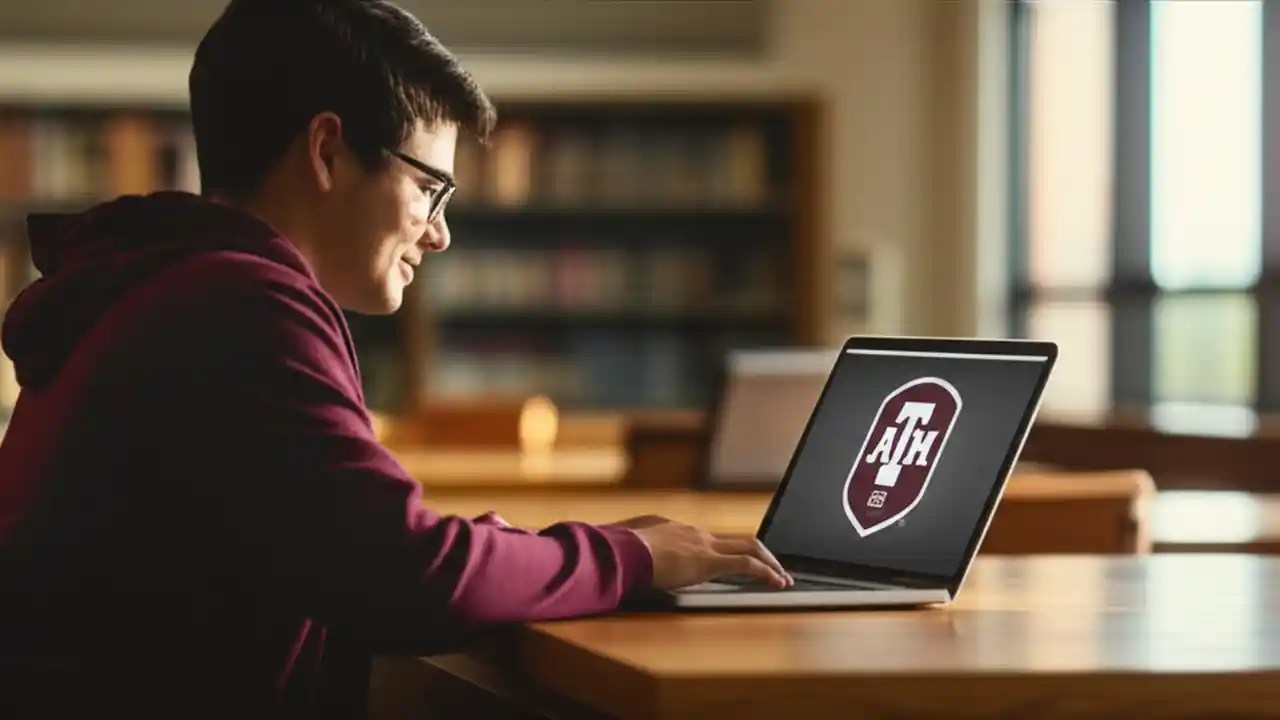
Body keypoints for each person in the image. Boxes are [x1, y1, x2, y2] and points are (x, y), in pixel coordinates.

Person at [0, 0, 792, 715]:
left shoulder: (156, 281)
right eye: (429, 189)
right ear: (327, 150)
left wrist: (531, 552)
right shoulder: (240, 304)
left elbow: (357, 548)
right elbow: (409, 576)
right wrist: (630, 555)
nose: (439, 232)